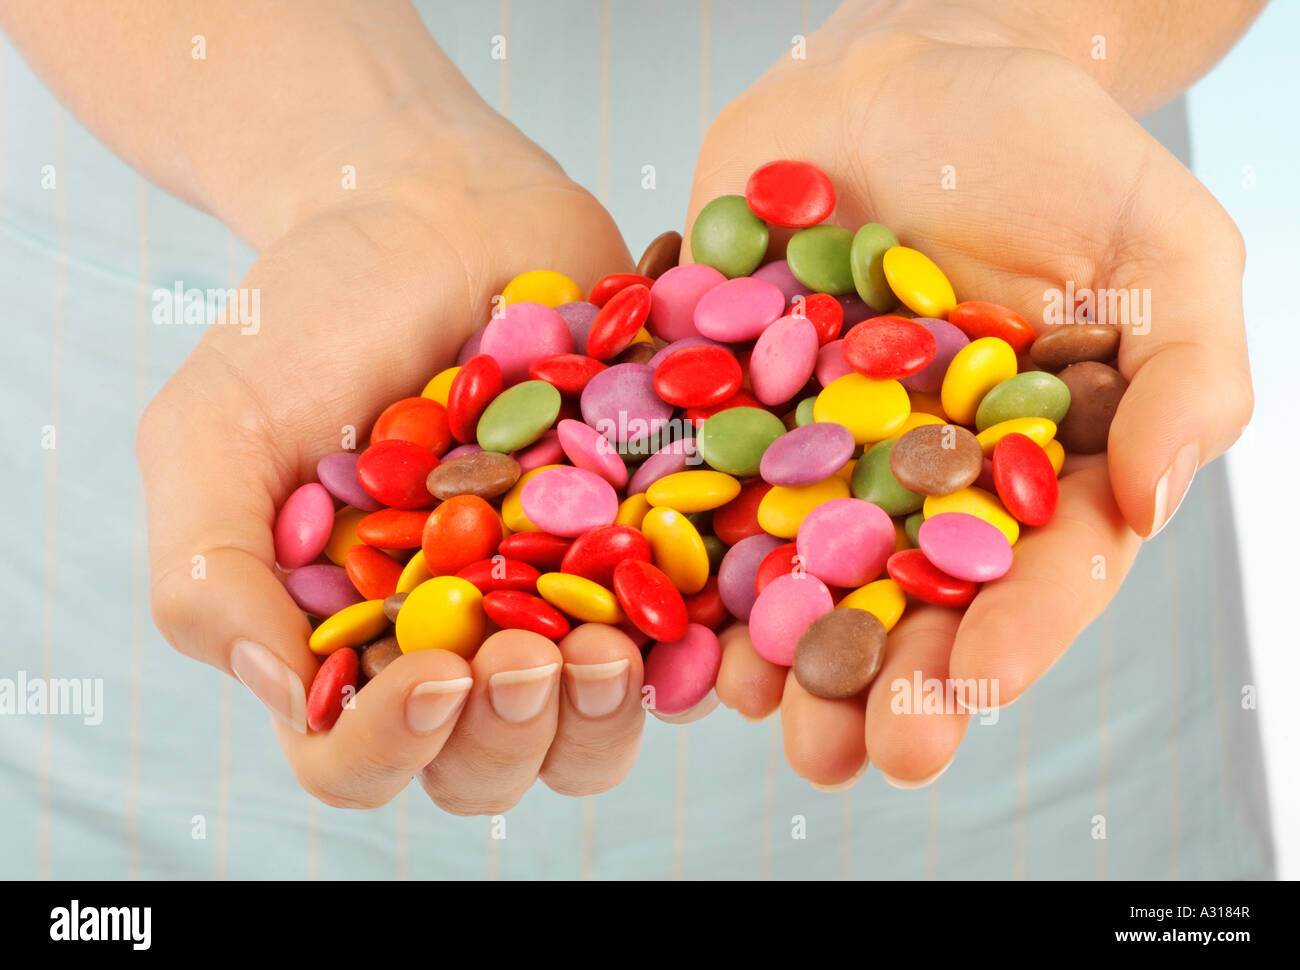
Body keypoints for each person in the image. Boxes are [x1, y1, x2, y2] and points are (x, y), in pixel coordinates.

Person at [0, 0, 1272, 879]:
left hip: (1039, 738)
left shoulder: (917, 416)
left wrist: (998, 28)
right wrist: (356, 156)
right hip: (232, 288)